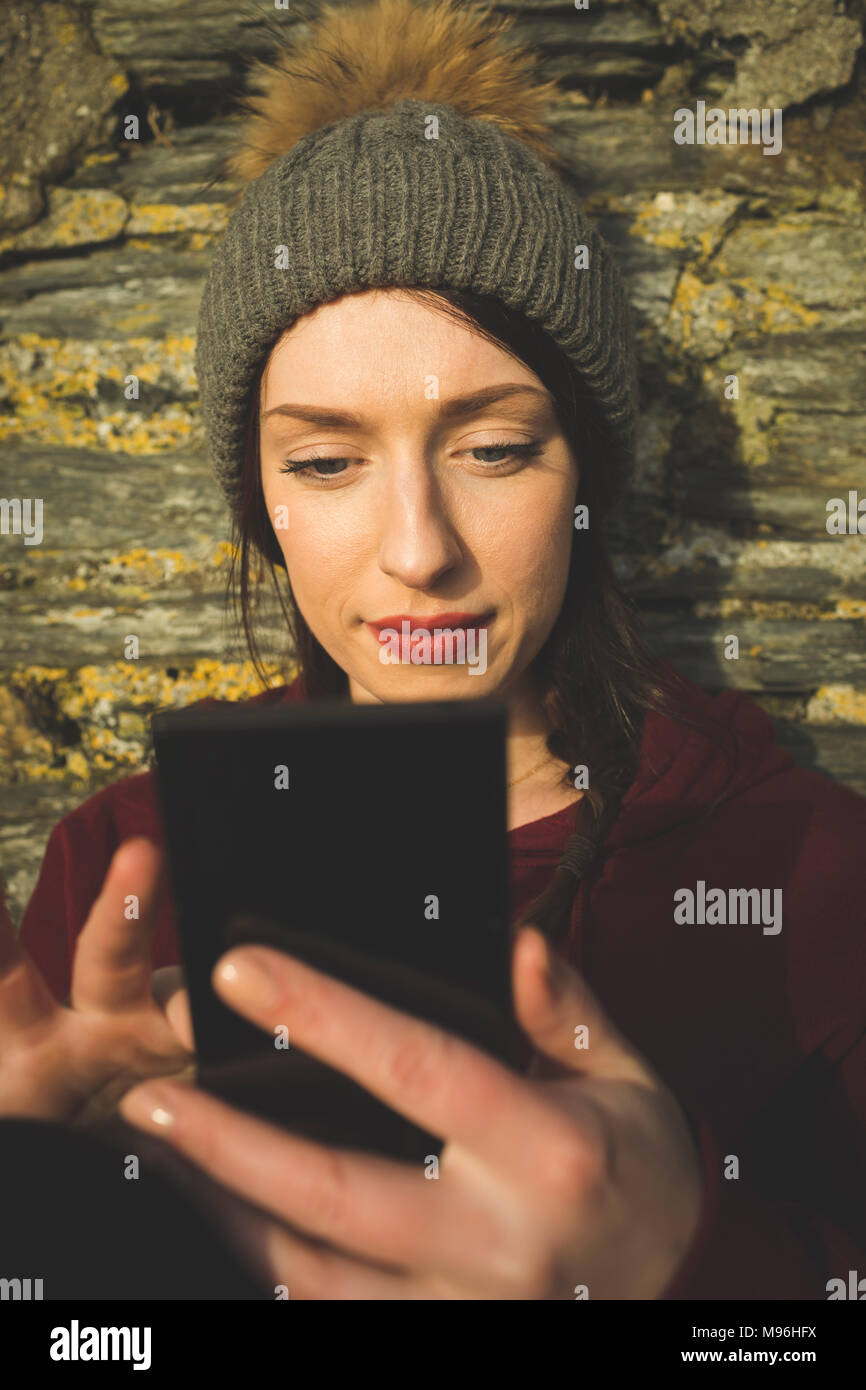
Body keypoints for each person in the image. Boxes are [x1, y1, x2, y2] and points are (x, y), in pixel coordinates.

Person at [3, 0, 865, 1300]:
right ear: (261, 504)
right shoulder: (114, 873)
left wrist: (684, 1267)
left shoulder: (806, 870)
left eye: (494, 447)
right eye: (326, 461)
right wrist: (34, 1202)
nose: (418, 547)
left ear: (587, 471)